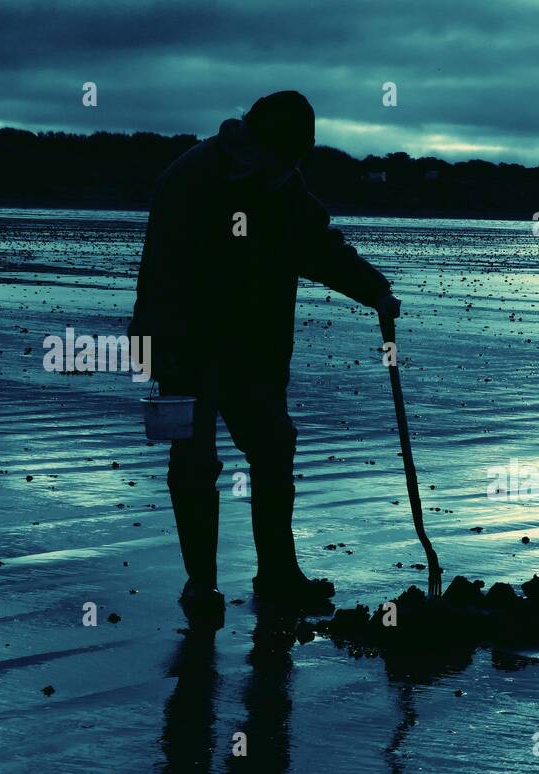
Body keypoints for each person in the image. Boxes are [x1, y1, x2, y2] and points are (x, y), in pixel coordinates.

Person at [130, 90, 399, 618]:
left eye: (298, 159)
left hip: (253, 352)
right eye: (288, 157)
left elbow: (318, 246)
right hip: (187, 349)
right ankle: (200, 586)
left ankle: (278, 575)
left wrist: (375, 290)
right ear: (255, 140)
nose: (292, 168)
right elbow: (160, 277)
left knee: (274, 448)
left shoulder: (282, 182)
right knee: (194, 462)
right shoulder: (191, 179)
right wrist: (158, 355)